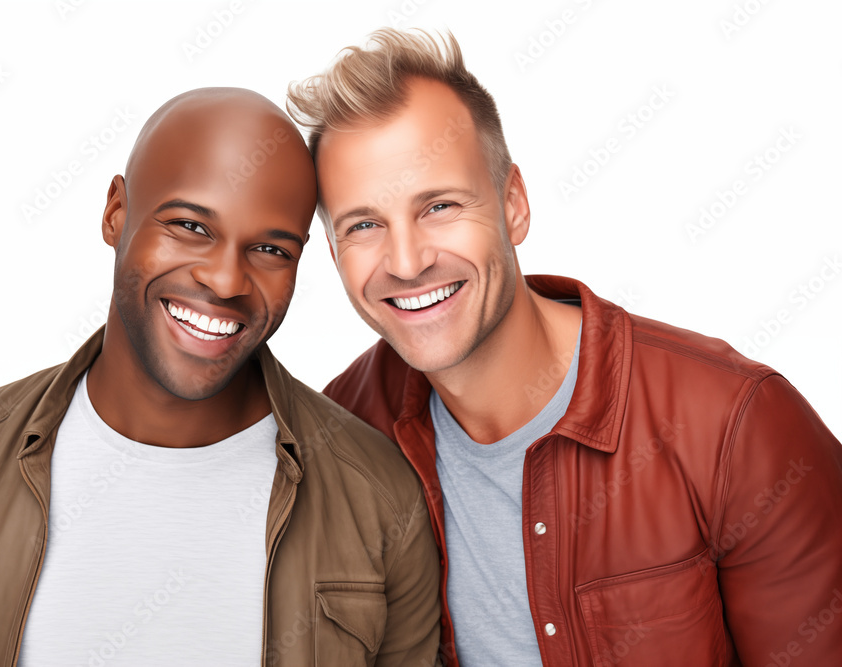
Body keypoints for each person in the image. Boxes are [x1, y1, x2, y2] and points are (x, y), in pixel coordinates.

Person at [287, 28, 842, 667]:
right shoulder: (339, 440)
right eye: (364, 225)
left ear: (513, 204)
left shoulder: (735, 423)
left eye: (438, 206)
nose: (407, 262)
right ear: (332, 253)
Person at [0, 88, 440, 667]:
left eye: (269, 248)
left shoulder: (382, 499)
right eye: (190, 226)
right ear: (116, 212)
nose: (226, 280)